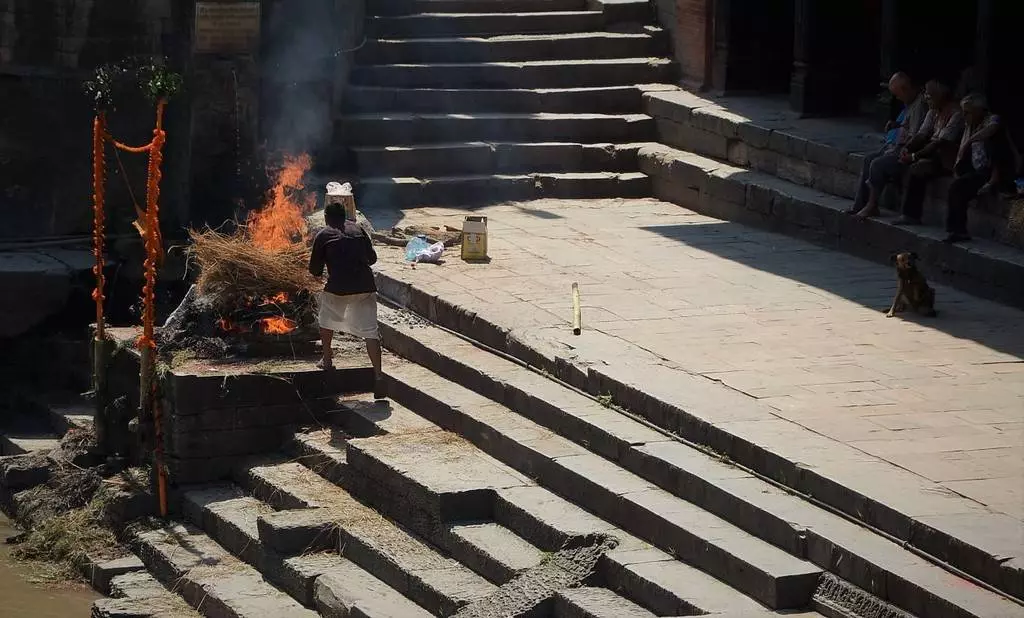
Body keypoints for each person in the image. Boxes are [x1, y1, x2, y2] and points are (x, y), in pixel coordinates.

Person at [309, 198, 385, 399]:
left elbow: (315, 271)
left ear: (326, 218)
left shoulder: (323, 235)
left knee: (326, 321)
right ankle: (378, 376)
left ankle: (327, 360)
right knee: (371, 332)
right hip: (365, 286)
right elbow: (372, 259)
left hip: (339, 288)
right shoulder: (359, 230)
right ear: (345, 216)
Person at [850, 72, 928, 216]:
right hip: (896, 145)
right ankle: (859, 205)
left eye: (898, 95)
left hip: (906, 149)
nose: (898, 99)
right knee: (868, 159)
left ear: (906, 89)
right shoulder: (910, 104)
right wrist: (897, 125)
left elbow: (917, 134)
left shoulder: (919, 105)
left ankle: (872, 204)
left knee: (878, 164)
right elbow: (907, 124)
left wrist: (902, 148)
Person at [944, 93, 1018, 243]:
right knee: (956, 187)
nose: (964, 116)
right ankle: (956, 230)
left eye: (968, 112)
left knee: (996, 141)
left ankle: (995, 181)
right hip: (977, 170)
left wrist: (970, 141)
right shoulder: (970, 125)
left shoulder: (992, 119)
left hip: (992, 170)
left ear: (979, 110)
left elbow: (993, 128)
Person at [892, 80, 963, 225]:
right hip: (933, 152)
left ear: (940, 96)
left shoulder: (956, 114)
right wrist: (908, 148)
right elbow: (922, 134)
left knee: (918, 168)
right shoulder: (933, 111)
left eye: (929, 95)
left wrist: (914, 156)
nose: (926, 98)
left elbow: (941, 142)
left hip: (949, 158)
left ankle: (911, 215)